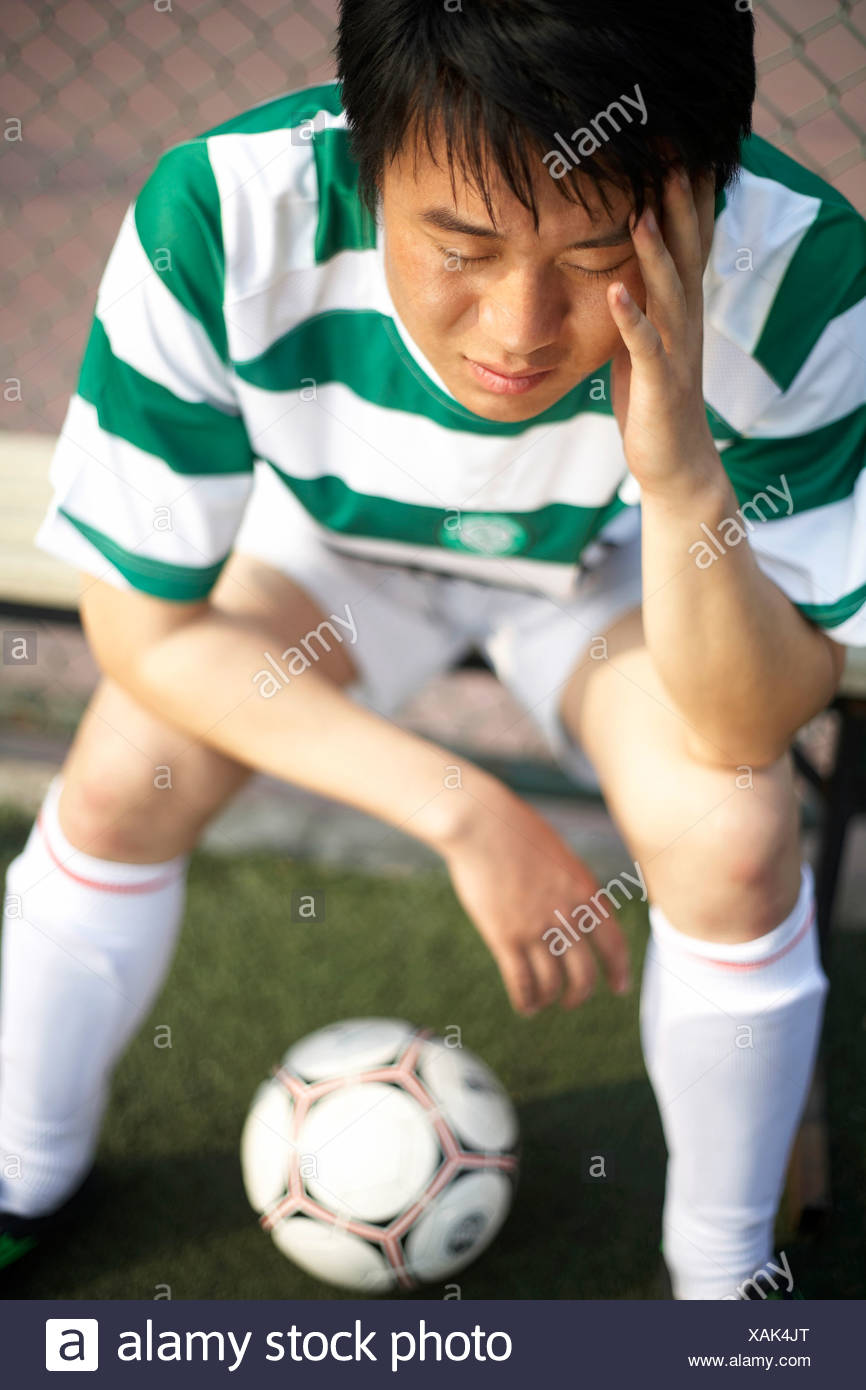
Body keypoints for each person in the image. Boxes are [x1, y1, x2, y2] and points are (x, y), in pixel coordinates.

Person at [2, 0, 863, 1298]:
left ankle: (722, 1283)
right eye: (460, 244)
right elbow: (144, 627)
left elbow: (751, 717)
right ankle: (24, 1167)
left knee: (735, 836)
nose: (517, 327)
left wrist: (681, 471)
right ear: (363, 155)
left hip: (621, 574)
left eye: (590, 256)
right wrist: (461, 805)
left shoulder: (795, 266)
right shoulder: (225, 208)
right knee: (128, 768)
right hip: (333, 554)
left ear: (699, 186)